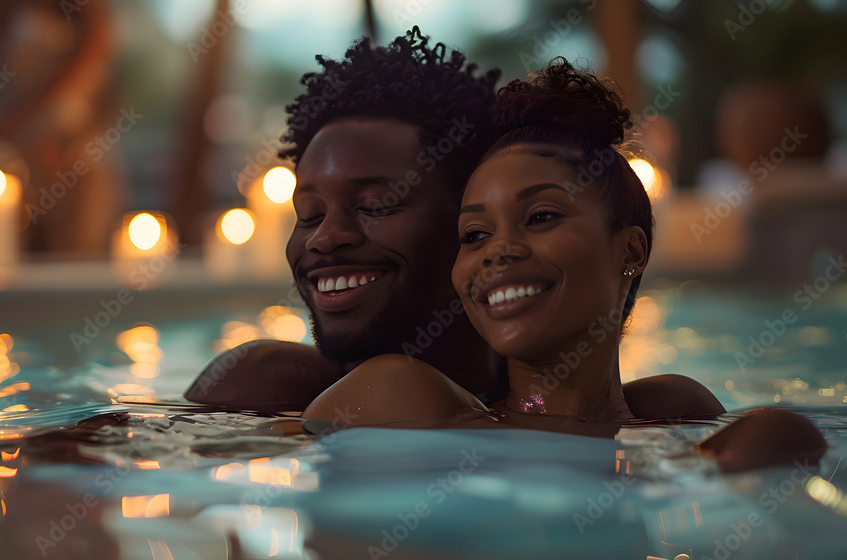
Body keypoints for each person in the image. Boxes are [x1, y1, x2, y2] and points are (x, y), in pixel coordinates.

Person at [302, 59, 827, 472]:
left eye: (540, 216)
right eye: (475, 234)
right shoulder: (403, 397)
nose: (497, 251)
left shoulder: (678, 411)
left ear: (631, 251)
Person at [186, 29, 723, 422]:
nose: (325, 237)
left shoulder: (666, 410)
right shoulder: (271, 383)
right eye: (307, 214)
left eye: (377, 203)